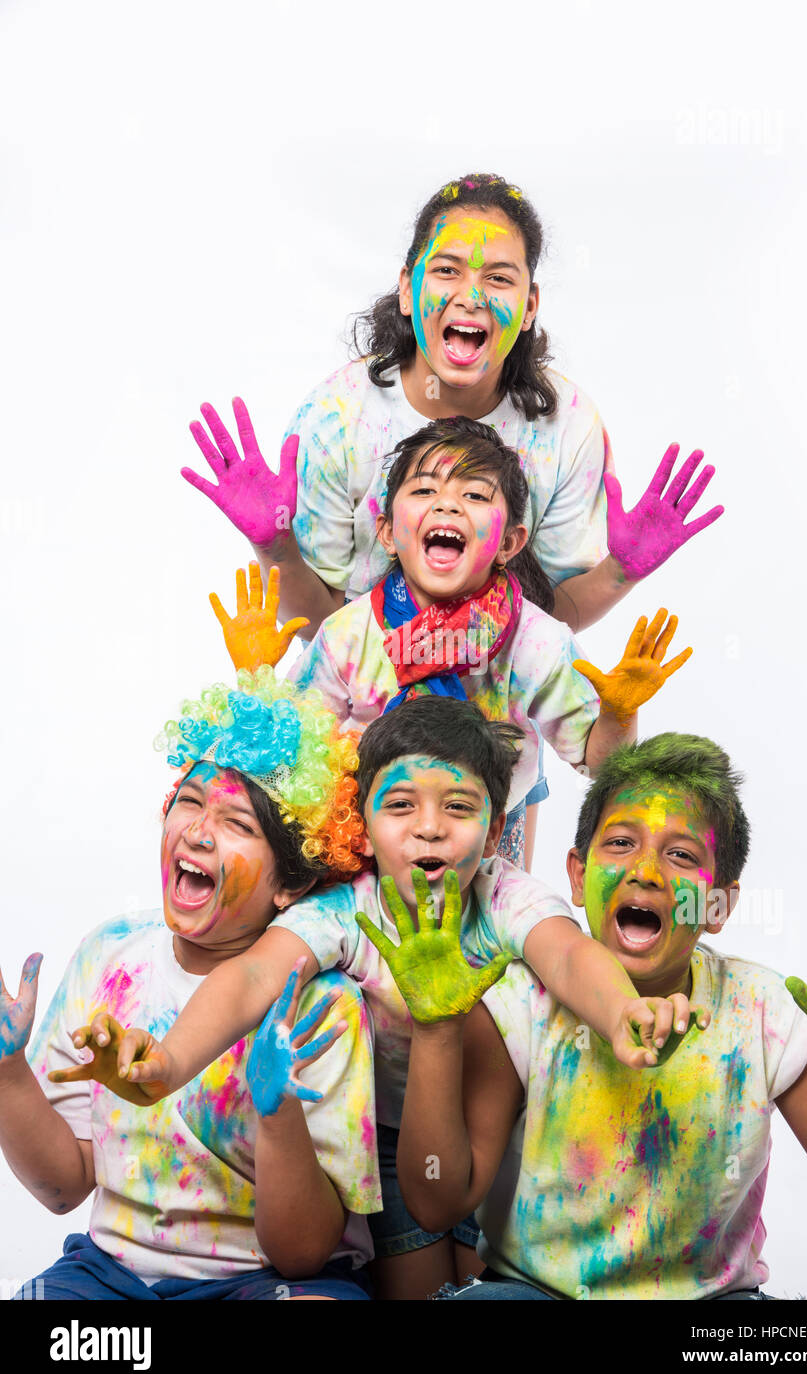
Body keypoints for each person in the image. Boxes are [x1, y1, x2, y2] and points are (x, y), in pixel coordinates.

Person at [181, 170, 723, 864]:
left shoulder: (565, 429)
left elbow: (546, 623)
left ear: (529, 306)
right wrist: (275, 546)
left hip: (496, 766)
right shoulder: (338, 421)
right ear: (408, 290)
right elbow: (315, 659)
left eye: (498, 278)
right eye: (446, 271)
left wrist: (620, 573)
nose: (469, 295)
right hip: (359, 760)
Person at [98, 698, 700, 1300]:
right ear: (363, 821)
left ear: (494, 832)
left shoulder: (505, 898)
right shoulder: (345, 910)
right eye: (401, 805)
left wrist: (623, 1013)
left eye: (458, 808)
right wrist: (169, 1062)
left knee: (485, 1284)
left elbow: (568, 955)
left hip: (500, 1133)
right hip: (387, 1141)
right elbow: (256, 976)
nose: (429, 826)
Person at [386, 732, 807, 1299]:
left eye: (682, 855)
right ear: (576, 874)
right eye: (619, 843)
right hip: (535, 1291)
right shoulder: (520, 1002)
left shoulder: (762, 1012)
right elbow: (437, 1202)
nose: (646, 871)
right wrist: (437, 1032)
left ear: (718, 905)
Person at [0, 659, 381, 1301]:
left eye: (238, 824)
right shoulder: (111, 956)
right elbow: (65, 1187)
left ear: (292, 883)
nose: (199, 832)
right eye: (190, 802)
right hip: (110, 1276)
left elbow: (304, 1255)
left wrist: (277, 1112)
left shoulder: (324, 1006)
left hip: (259, 1282)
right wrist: (8, 1074)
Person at [281, 416, 693, 864]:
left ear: (509, 542)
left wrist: (619, 713)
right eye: (424, 490)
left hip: (493, 839)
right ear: (386, 532)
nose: (447, 505)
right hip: (367, 836)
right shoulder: (348, 634)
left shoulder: (536, 641)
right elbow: (293, 748)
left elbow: (601, 762)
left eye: (475, 495)